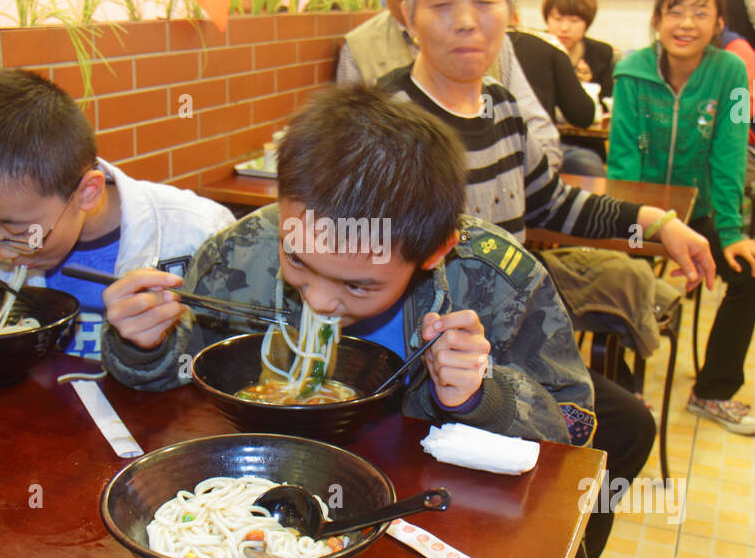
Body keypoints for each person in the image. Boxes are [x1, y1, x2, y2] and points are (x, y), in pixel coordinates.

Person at [371, 0, 719, 558]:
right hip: (430, 365)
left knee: (621, 426)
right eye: (442, 4)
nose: (467, 22)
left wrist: (657, 223)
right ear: (407, 15)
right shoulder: (387, 123)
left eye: (485, 0)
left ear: (510, 11)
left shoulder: (501, 106)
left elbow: (557, 206)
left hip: (516, 349)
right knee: (602, 426)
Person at [102, 85, 592, 443]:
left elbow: (576, 425)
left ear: (435, 251)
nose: (317, 300)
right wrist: (143, 343)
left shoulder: (498, 280)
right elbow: (182, 374)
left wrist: (482, 395)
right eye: (296, 259)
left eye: (358, 286)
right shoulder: (241, 251)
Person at [0, 69, 234, 359]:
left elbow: (239, 357)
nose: (2, 250)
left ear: (87, 193)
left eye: (19, 231)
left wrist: (156, 343)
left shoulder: (198, 232)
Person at [609, 0, 755, 435]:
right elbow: (622, 161)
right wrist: (634, 229)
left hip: (700, 213)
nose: (686, 23)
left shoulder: (730, 71)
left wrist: (734, 231)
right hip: (638, 210)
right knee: (621, 272)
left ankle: (713, 392)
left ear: (719, 22)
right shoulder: (631, 69)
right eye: (675, 11)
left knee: (751, 273)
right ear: (658, 19)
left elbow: (729, 152)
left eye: (700, 13)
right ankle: (625, 390)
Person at [335, 0, 567, 170]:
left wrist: (534, 185)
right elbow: (348, 152)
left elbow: (536, 127)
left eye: (484, 1)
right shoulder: (360, 48)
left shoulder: (496, 77)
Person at [507, 23, 605, 177]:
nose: (564, 27)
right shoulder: (546, 45)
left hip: (505, 152)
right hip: (538, 149)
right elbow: (583, 115)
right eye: (558, 19)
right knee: (587, 162)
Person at [542, 0, 616, 109]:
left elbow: (607, 104)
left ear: (587, 23)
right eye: (557, 18)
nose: (564, 28)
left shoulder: (601, 53)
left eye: (574, 21)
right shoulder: (533, 49)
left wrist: (586, 89)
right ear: (547, 19)